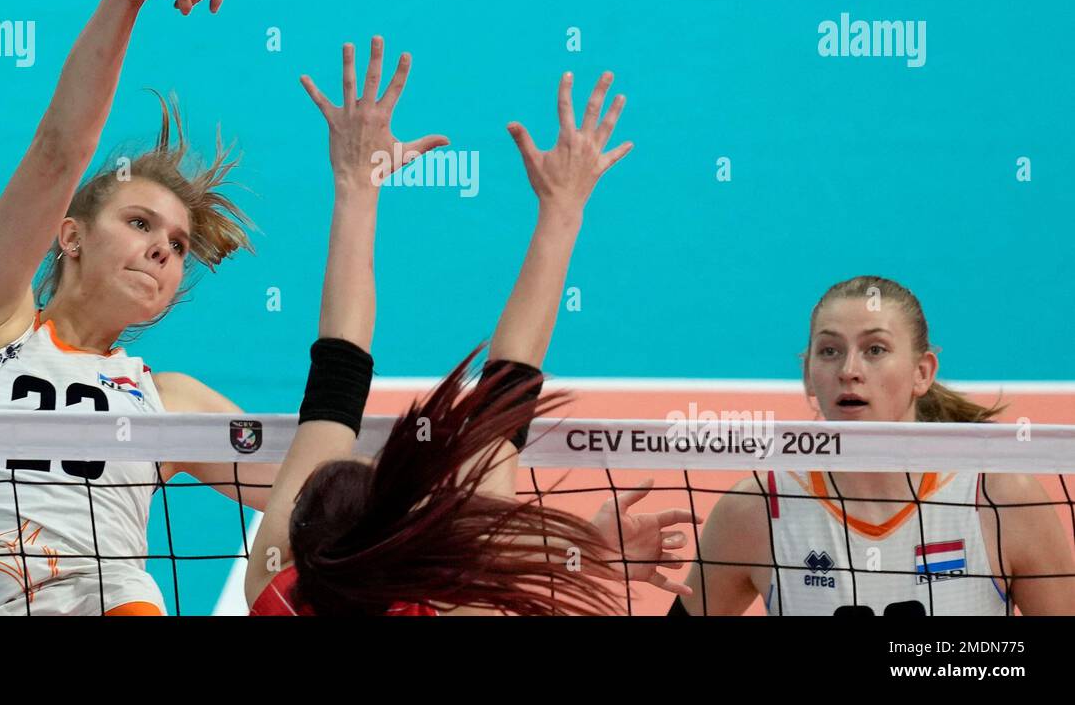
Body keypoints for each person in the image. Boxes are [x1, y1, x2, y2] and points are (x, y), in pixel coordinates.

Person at [247, 45, 697, 614]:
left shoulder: (275, 593)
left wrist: (355, 181)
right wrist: (562, 206)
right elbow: (495, 390)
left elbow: (346, 371)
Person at [0, 0, 273, 615]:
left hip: (114, 606)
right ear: (71, 235)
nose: (164, 251)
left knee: (124, 591)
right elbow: (58, 153)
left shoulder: (169, 403)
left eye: (177, 244)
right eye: (140, 223)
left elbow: (319, 478)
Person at [672, 275, 1075, 616]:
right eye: (829, 351)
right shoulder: (755, 510)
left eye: (875, 350)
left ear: (922, 372)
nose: (849, 371)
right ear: (808, 378)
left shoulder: (1001, 501)